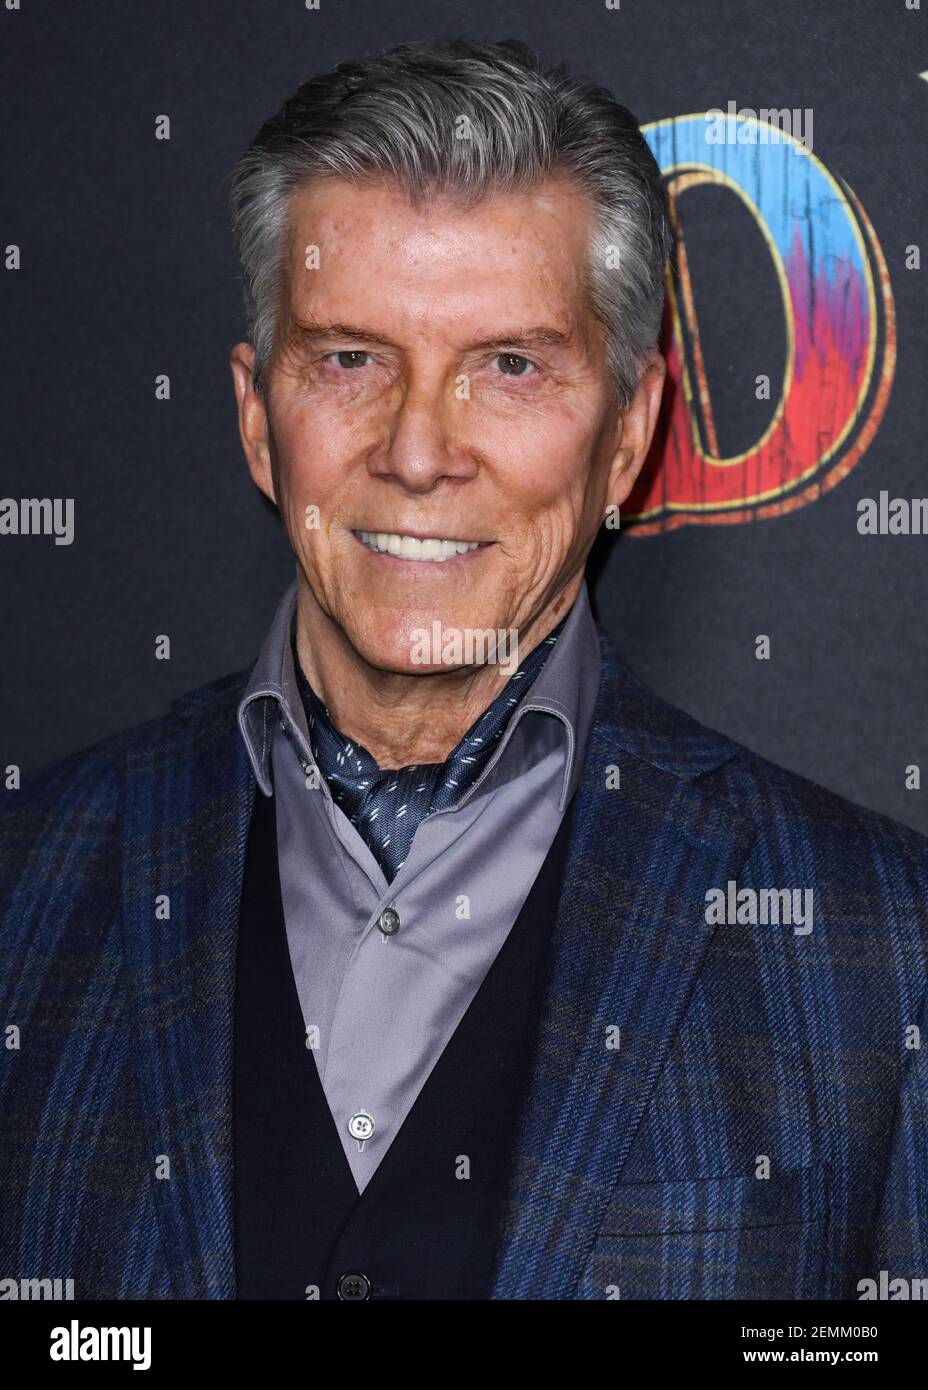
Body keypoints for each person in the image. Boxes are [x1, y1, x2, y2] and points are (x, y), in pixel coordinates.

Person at [1, 37, 926, 1301]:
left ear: (629, 437)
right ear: (256, 418)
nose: (420, 450)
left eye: (509, 366)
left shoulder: (879, 944)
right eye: (348, 359)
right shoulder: (26, 884)